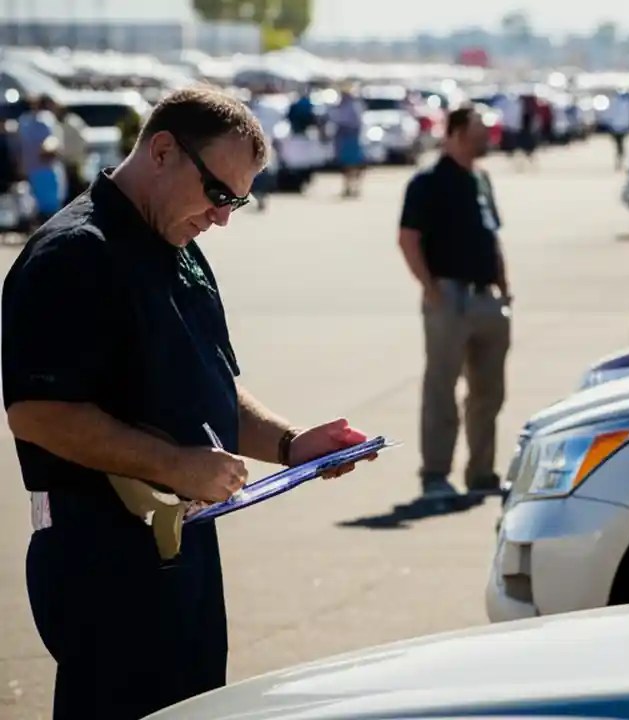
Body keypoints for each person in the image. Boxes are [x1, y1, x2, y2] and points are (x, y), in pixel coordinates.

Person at [2, 86, 372, 719]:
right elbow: (39, 412)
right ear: (164, 151)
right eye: (219, 194)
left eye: (240, 200)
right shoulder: (73, 254)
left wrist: (290, 444)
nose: (224, 215)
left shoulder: (174, 246)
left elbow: (215, 381)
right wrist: (175, 466)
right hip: (104, 555)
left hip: (179, 547)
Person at [397, 106, 511, 506]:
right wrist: (430, 289)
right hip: (449, 297)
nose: (487, 137)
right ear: (458, 133)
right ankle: (435, 475)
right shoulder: (428, 182)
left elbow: (491, 236)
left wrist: (503, 287)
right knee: (441, 389)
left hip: (487, 299)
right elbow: (408, 237)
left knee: (489, 393)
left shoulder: (481, 179)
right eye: (480, 130)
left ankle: (481, 472)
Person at [17, 95, 66, 224]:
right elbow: (51, 142)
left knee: (37, 202)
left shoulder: (24, 120)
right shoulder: (46, 119)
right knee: (51, 205)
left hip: (32, 168)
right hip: (46, 168)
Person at [331, 83, 366, 198]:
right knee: (346, 165)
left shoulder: (355, 106)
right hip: (343, 137)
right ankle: (347, 187)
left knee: (354, 164)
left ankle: (355, 187)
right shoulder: (340, 106)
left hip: (352, 137)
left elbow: (357, 123)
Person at [602, 91, 629, 171]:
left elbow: (628, 115)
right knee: (620, 146)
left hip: (619, 127)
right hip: (619, 127)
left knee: (620, 146)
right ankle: (619, 162)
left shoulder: (622, 103)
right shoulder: (625, 103)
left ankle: (619, 162)